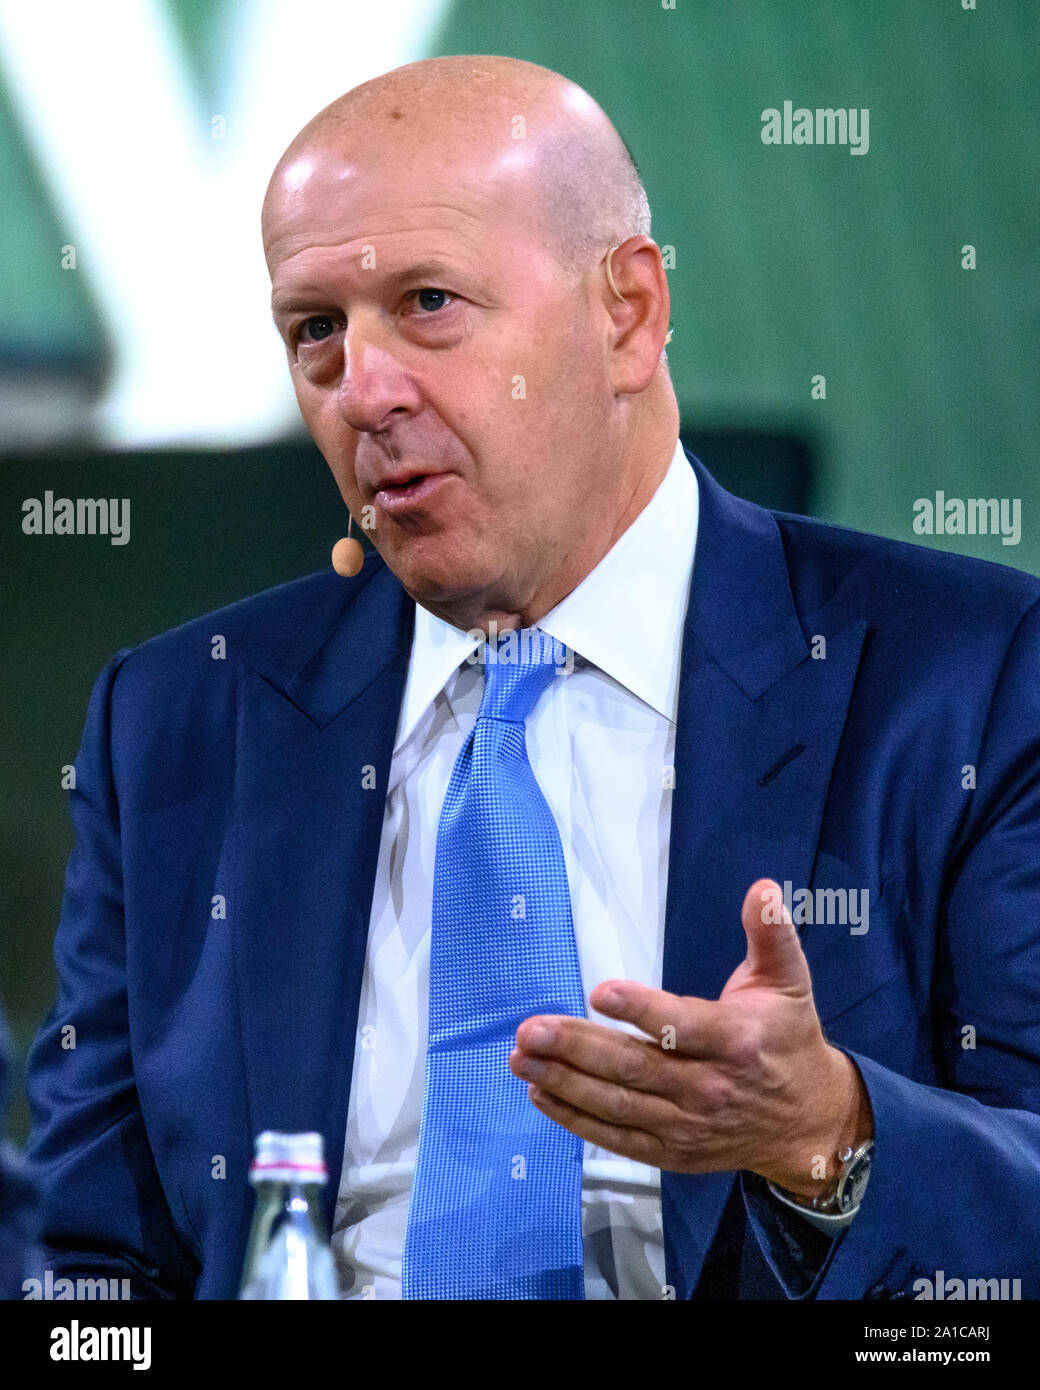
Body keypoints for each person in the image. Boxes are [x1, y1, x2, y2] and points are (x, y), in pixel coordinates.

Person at [25, 55, 1040, 1300]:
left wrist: (828, 1133)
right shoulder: (177, 724)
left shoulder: (968, 679)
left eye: (431, 302)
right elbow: (85, 1270)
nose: (366, 390)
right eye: (316, 334)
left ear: (628, 312)